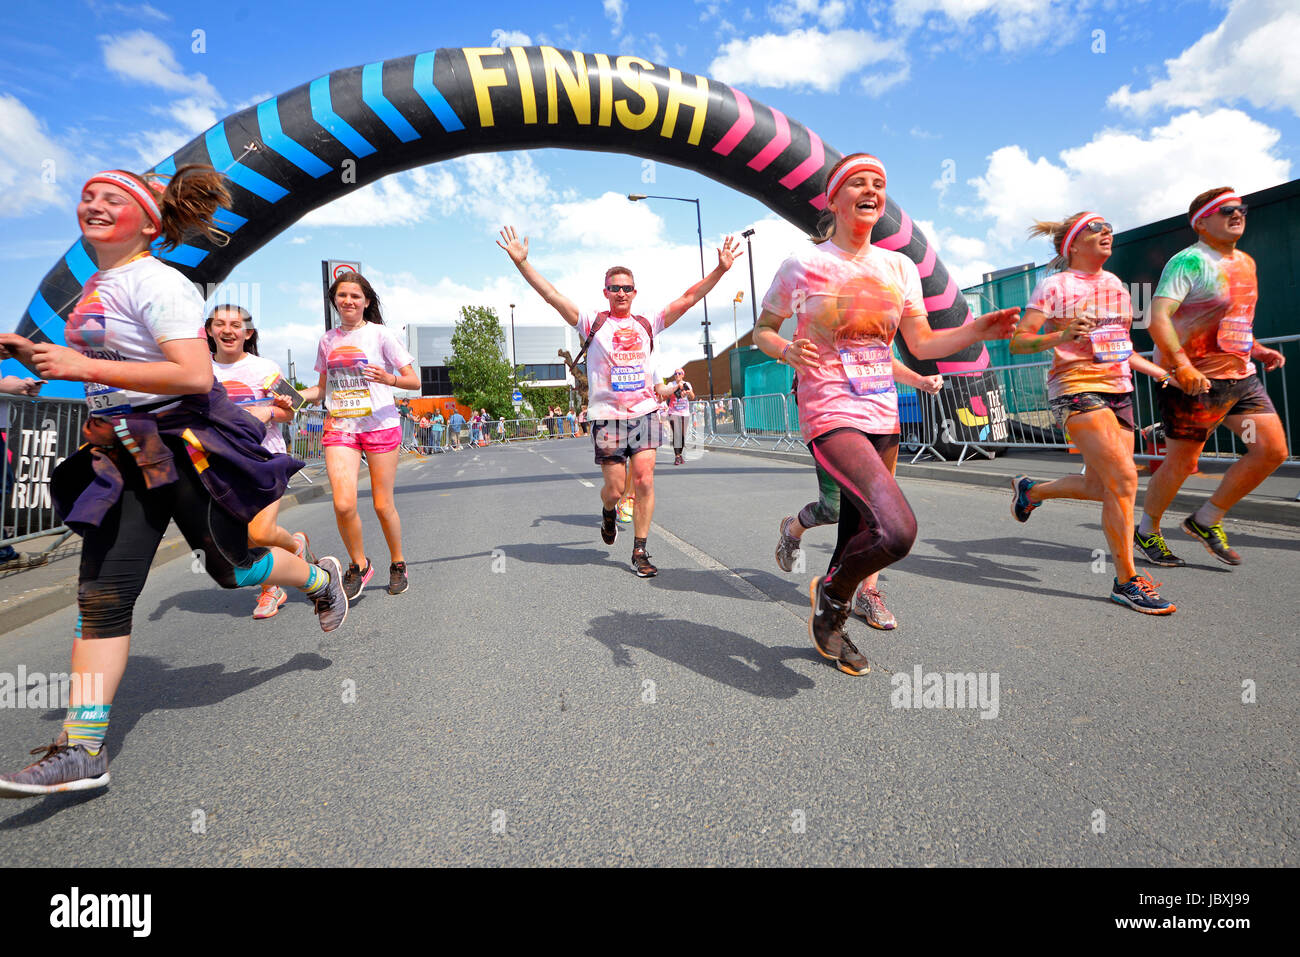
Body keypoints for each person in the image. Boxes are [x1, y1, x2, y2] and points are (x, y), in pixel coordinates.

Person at [0, 165, 348, 797]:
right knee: (101, 593)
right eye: (87, 197)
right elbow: (109, 368)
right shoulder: (98, 284)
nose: (94, 205)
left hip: (183, 448)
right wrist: (29, 357)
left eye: (112, 199)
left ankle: (321, 581)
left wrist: (77, 360)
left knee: (233, 569)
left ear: (149, 221)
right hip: (120, 452)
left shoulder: (162, 283)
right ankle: (82, 751)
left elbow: (192, 375)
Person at [753, 153, 1018, 676]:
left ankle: (829, 622)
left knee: (862, 529)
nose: (871, 190)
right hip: (830, 408)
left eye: (879, 183)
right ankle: (833, 595)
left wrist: (975, 331)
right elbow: (763, 329)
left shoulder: (900, 267)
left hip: (882, 412)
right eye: (858, 182)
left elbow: (921, 340)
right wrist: (784, 350)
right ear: (833, 199)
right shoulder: (801, 265)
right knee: (897, 530)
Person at [499, 224, 742, 577]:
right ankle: (609, 512)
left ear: (635, 291)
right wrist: (523, 264)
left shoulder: (648, 323)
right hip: (607, 417)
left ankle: (640, 550)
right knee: (614, 488)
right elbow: (552, 295)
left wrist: (720, 269)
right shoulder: (592, 323)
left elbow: (688, 299)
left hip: (644, 413)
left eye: (627, 288)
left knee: (644, 479)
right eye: (615, 288)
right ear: (606, 292)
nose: (622, 293)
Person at [1005, 212, 1175, 613]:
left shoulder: (1116, 285)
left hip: (1120, 390)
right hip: (1075, 387)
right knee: (1125, 477)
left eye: (1109, 229)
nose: (1107, 234)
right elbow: (1019, 342)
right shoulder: (1055, 285)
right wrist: (1062, 335)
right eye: (1096, 229)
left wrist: (1164, 373)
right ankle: (1126, 581)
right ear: (1074, 244)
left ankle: (1031, 491)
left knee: (1104, 487)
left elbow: (1121, 347)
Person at [1134, 187, 1287, 567]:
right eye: (1226, 211)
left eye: (1241, 209)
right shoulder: (1188, 262)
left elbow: (1233, 323)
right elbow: (1157, 318)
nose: (1237, 215)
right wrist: (1182, 366)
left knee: (1271, 450)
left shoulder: (1247, 263)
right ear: (1201, 223)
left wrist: (1257, 349)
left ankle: (1207, 518)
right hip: (1192, 383)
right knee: (1183, 464)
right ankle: (1146, 530)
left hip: (1240, 381)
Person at [775, 359, 943, 629]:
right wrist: (787, 350)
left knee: (878, 513)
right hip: (832, 415)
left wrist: (918, 380)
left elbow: (882, 354)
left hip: (880, 415)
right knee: (833, 509)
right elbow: (779, 336)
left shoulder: (882, 317)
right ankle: (792, 529)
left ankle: (867, 592)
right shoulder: (820, 316)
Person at [300, 271, 419, 598]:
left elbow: (414, 380)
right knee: (342, 503)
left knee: (382, 505)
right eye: (342, 296)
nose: (348, 301)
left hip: (380, 425)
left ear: (366, 301)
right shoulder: (328, 340)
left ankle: (398, 562)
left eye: (355, 296)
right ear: (334, 301)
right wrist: (293, 397)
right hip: (341, 428)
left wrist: (388, 378)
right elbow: (321, 389)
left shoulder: (382, 335)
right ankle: (360, 564)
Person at [207, 304, 316, 619]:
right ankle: (271, 587)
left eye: (235, 324)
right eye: (220, 324)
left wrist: (269, 410)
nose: (228, 330)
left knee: (262, 532)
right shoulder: (201, 372)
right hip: (223, 462)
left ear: (247, 333)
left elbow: (292, 407)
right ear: (210, 330)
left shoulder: (264, 367)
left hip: (265, 457)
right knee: (243, 535)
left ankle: (295, 546)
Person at [663, 368, 696, 465]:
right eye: (675, 374)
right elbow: (666, 395)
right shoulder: (670, 384)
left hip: (685, 413)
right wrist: (675, 390)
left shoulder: (687, 384)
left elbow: (692, 397)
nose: (677, 375)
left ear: (683, 375)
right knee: (676, 434)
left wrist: (688, 393)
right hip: (673, 412)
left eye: (679, 373)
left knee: (682, 435)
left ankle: (680, 454)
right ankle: (677, 456)